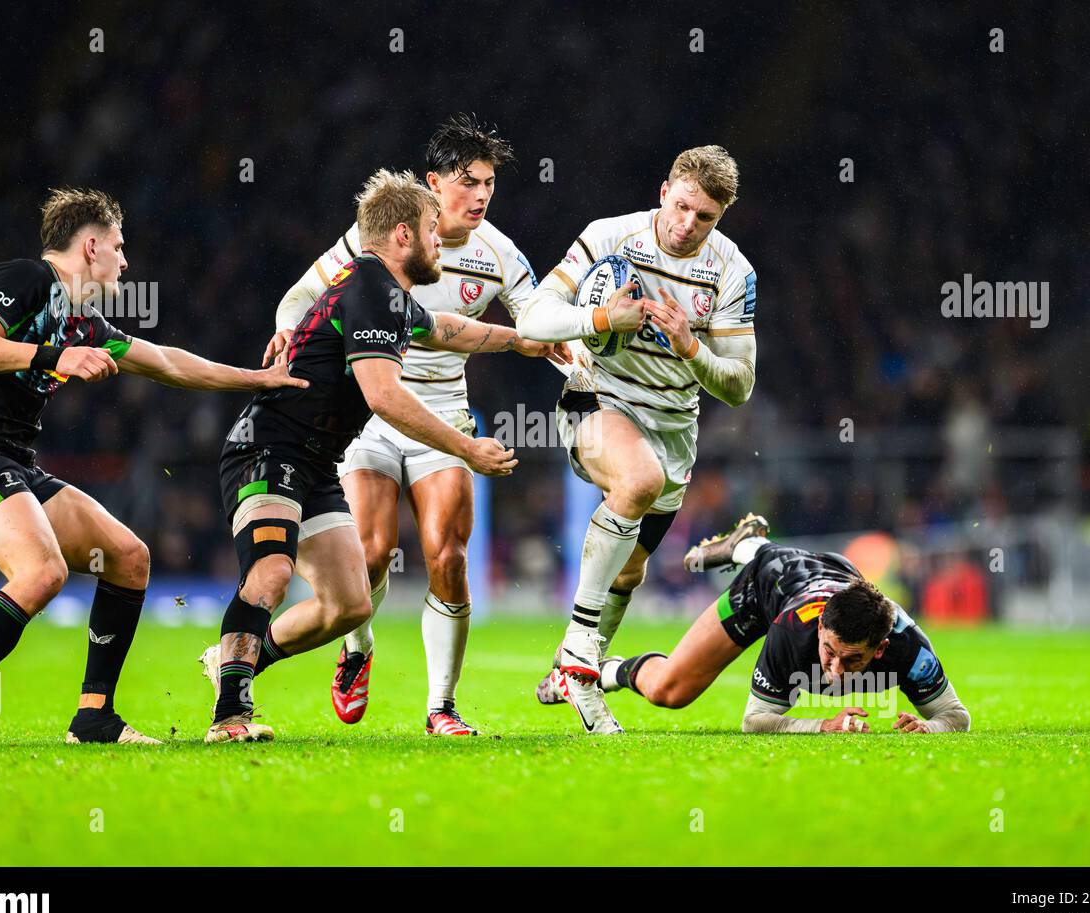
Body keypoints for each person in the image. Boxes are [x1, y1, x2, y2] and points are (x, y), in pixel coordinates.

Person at [0, 187, 303, 747]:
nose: (126, 260)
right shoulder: (24, 279)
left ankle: (94, 716)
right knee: (43, 572)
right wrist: (54, 357)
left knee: (128, 558)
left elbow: (166, 362)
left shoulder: (84, 322)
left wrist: (257, 378)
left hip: (14, 467)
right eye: (119, 247)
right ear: (90, 246)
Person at [202, 169, 568, 743]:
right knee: (271, 570)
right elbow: (383, 395)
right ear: (402, 236)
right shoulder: (369, 290)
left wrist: (518, 340)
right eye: (429, 230)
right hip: (268, 451)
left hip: (315, 465)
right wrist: (467, 446)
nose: (438, 242)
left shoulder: (385, 292)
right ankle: (230, 715)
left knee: (349, 605)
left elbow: (444, 328)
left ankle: (231, 658)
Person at [264, 116, 536, 734]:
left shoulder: (501, 253)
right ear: (434, 185)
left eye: (490, 183)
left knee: (448, 555)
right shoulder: (383, 240)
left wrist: (567, 350)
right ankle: (356, 651)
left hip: (441, 410)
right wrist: (285, 328)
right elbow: (301, 293)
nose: (482, 195)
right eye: (469, 182)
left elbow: (534, 318)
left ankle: (441, 707)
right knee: (372, 551)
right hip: (370, 412)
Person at [517, 146, 757, 734]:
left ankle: (566, 670)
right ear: (663, 191)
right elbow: (532, 319)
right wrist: (598, 322)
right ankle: (579, 660)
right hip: (597, 400)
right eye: (681, 208)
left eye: (705, 217)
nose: (686, 225)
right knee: (637, 479)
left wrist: (692, 347)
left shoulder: (733, 272)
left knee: (628, 574)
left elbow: (740, 385)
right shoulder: (609, 236)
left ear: (720, 216)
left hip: (674, 430)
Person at [566, 516, 972, 734]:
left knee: (794, 563)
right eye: (828, 653)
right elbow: (755, 720)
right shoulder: (794, 630)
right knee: (669, 692)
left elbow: (956, 715)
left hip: (827, 573)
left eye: (851, 662)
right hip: (767, 588)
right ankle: (602, 671)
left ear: (880, 650)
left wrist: (929, 727)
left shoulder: (908, 647)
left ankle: (748, 543)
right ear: (820, 631)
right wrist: (822, 726)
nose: (833, 675)